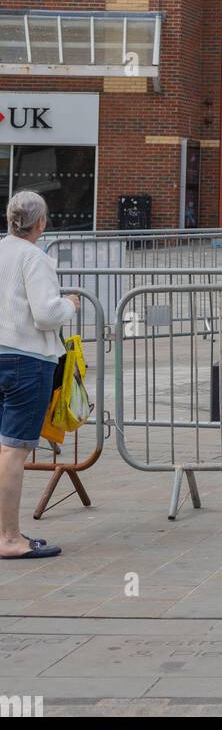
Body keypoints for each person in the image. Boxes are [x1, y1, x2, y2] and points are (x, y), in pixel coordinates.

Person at [0, 191, 80, 560]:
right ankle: (9, 537)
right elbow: (46, 315)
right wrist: (69, 305)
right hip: (26, 359)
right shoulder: (36, 258)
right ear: (42, 223)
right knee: (13, 450)